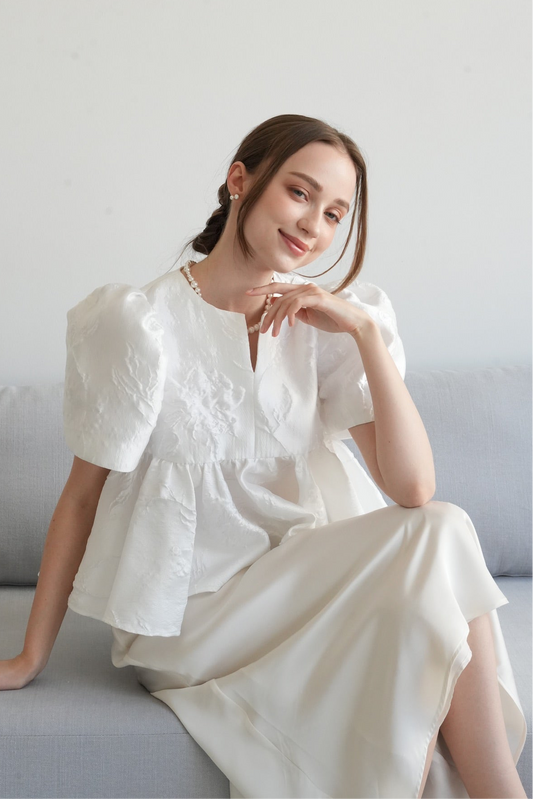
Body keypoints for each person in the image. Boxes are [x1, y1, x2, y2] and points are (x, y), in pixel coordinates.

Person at [0, 113, 527, 799]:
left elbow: (413, 489)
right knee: (437, 558)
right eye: (299, 193)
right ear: (240, 181)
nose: (313, 226)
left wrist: (364, 333)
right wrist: (30, 656)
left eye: (334, 214)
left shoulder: (325, 325)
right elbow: (81, 496)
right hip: (189, 618)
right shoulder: (142, 324)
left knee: (443, 528)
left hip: (303, 597)